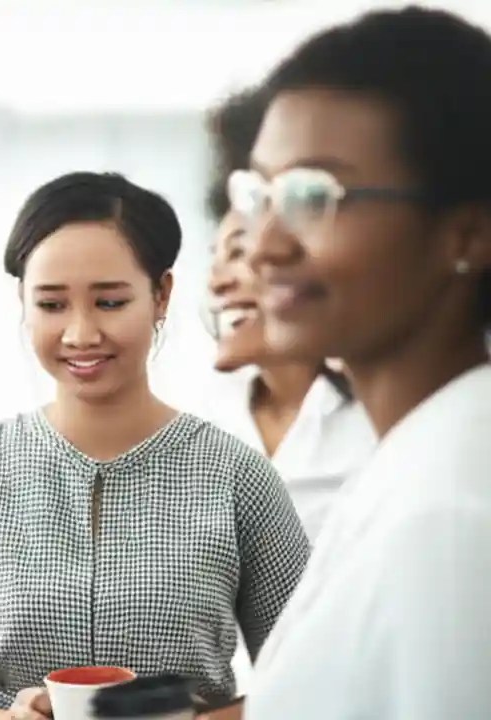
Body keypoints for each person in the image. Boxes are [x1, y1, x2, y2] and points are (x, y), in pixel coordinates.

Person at [0, 172, 310, 720]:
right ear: (23, 301)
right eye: (51, 304)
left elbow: (310, 679)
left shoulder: (237, 478)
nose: (80, 334)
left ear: (161, 295)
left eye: (109, 301)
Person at [226, 7, 491, 719]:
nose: (264, 245)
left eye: (314, 196)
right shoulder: (413, 459)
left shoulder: (451, 514)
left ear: (468, 231)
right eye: (257, 195)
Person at [200, 87, 376, 543]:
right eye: (214, 257)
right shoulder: (202, 419)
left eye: (237, 252)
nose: (217, 282)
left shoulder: (379, 418)